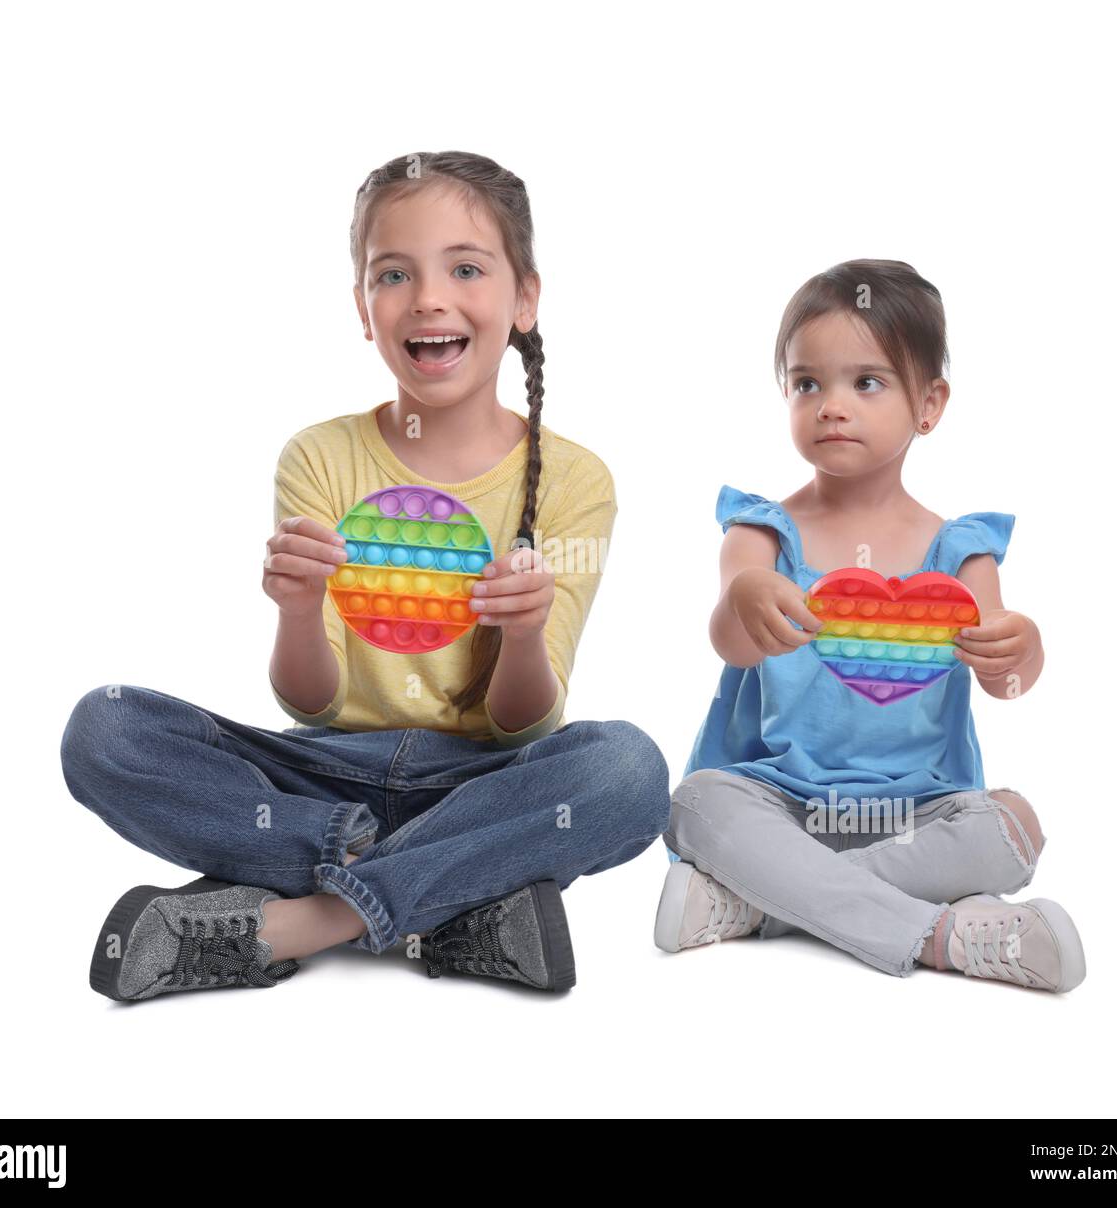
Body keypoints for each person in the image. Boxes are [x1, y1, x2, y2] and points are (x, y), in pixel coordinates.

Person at [62, 151, 670, 1003]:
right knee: (106, 729)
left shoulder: (575, 481)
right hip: (318, 782)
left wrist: (525, 634)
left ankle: (299, 922)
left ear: (524, 298)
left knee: (627, 772)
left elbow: (525, 722)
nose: (427, 297)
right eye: (394, 273)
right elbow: (308, 704)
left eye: (465, 267)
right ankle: (456, 901)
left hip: (481, 782)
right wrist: (299, 608)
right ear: (363, 307)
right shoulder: (320, 456)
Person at [654, 259, 1085, 993]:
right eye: (807, 383)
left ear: (930, 403)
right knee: (695, 802)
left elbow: (1006, 680)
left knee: (1016, 824)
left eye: (868, 382)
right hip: (782, 805)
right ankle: (940, 936)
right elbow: (728, 638)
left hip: (919, 815)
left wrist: (1023, 647)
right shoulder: (762, 536)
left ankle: (759, 906)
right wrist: (747, 597)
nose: (831, 405)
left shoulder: (959, 552)